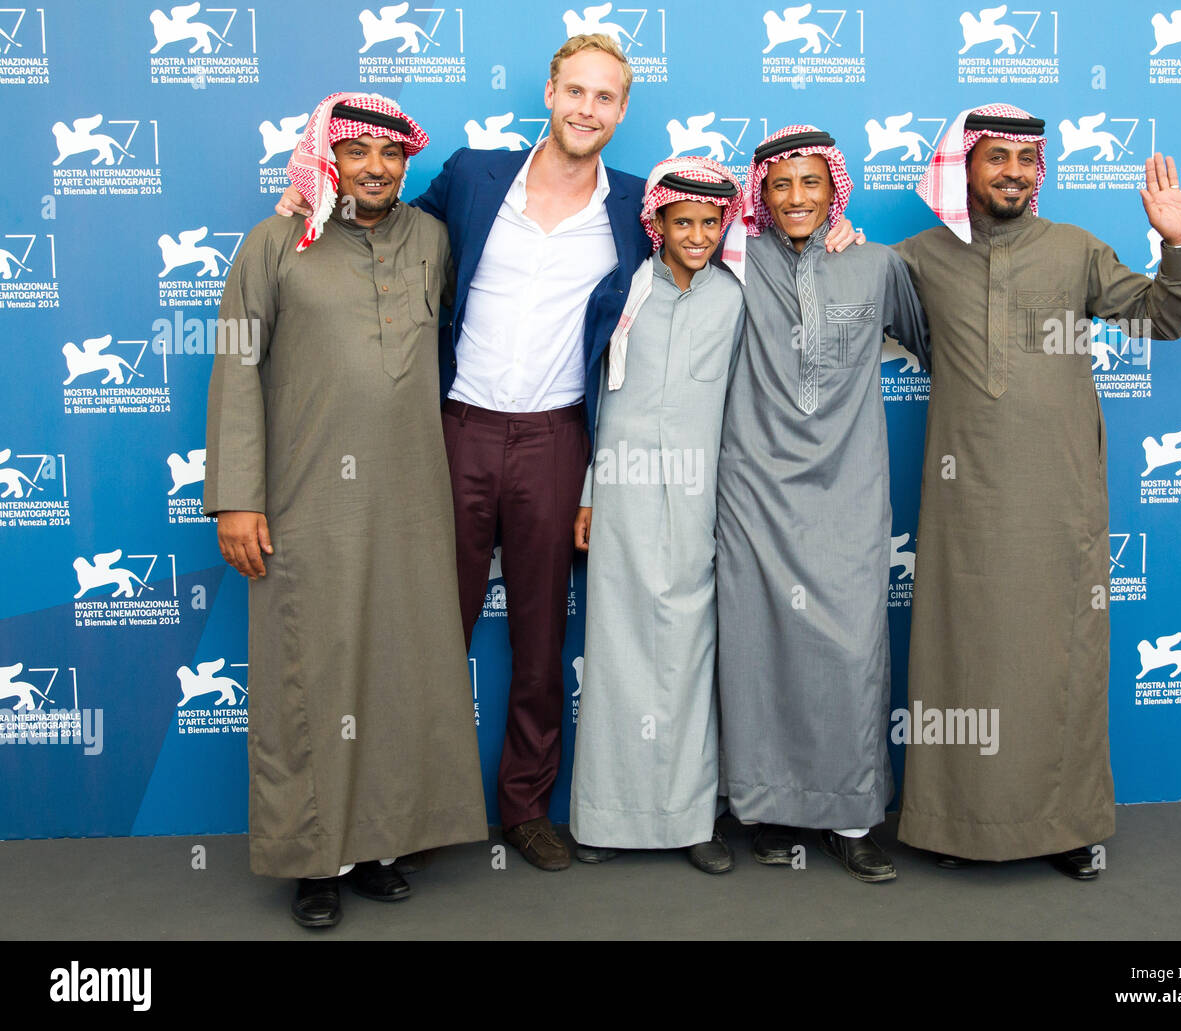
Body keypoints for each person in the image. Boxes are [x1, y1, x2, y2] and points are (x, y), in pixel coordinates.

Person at [275, 39, 863, 871]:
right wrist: (309, 199)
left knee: (541, 639)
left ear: (622, 113)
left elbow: (734, 243)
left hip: (558, 440)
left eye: (606, 98)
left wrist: (838, 231)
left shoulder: (638, 206)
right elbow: (384, 234)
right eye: (576, 91)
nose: (588, 109)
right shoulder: (473, 178)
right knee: (419, 628)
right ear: (550, 93)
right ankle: (391, 821)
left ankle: (525, 808)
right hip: (453, 431)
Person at [893, 103, 1181, 879]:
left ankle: (1065, 823)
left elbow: (1160, 318)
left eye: (1026, 161)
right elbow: (844, 308)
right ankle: (955, 820)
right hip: (964, 500)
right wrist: (833, 251)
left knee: (1057, 656)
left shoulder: (1074, 251)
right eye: (996, 158)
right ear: (963, 167)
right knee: (962, 654)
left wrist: (1178, 244)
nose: (1012, 172)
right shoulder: (919, 257)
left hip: (1057, 496)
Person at [204, 92, 486, 928]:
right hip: (306, 498)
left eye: (390, 154)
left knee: (396, 668)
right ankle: (311, 858)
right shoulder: (274, 243)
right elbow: (235, 368)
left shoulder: (432, 240)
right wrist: (237, 499)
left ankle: (379, 845)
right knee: (313, 670)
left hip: (411, 499)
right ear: (327, 156)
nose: (375, 167)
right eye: (357, 151)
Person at [715, 125, 929, 883]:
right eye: (781, 183)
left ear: (834, 187)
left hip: (848, 490)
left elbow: (940, 342)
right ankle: (770, 809)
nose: (797, 198)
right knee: (759, 647)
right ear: (760, 193)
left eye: (812, 183)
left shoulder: (875, 264)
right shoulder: (734, 257)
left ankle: (850, 815)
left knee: (851, 651)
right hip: (755, 493)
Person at [569, 157, 745, 874]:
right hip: (619, 494)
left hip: (704, 497)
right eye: (684, 223)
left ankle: (691, 817)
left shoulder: (738, 297)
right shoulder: (622, 292)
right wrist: (585, 491)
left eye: (710, 223)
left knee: (690, 654)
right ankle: (607, 817)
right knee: (614, 652)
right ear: (658, 224)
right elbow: (592, 402)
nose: (698, 235)